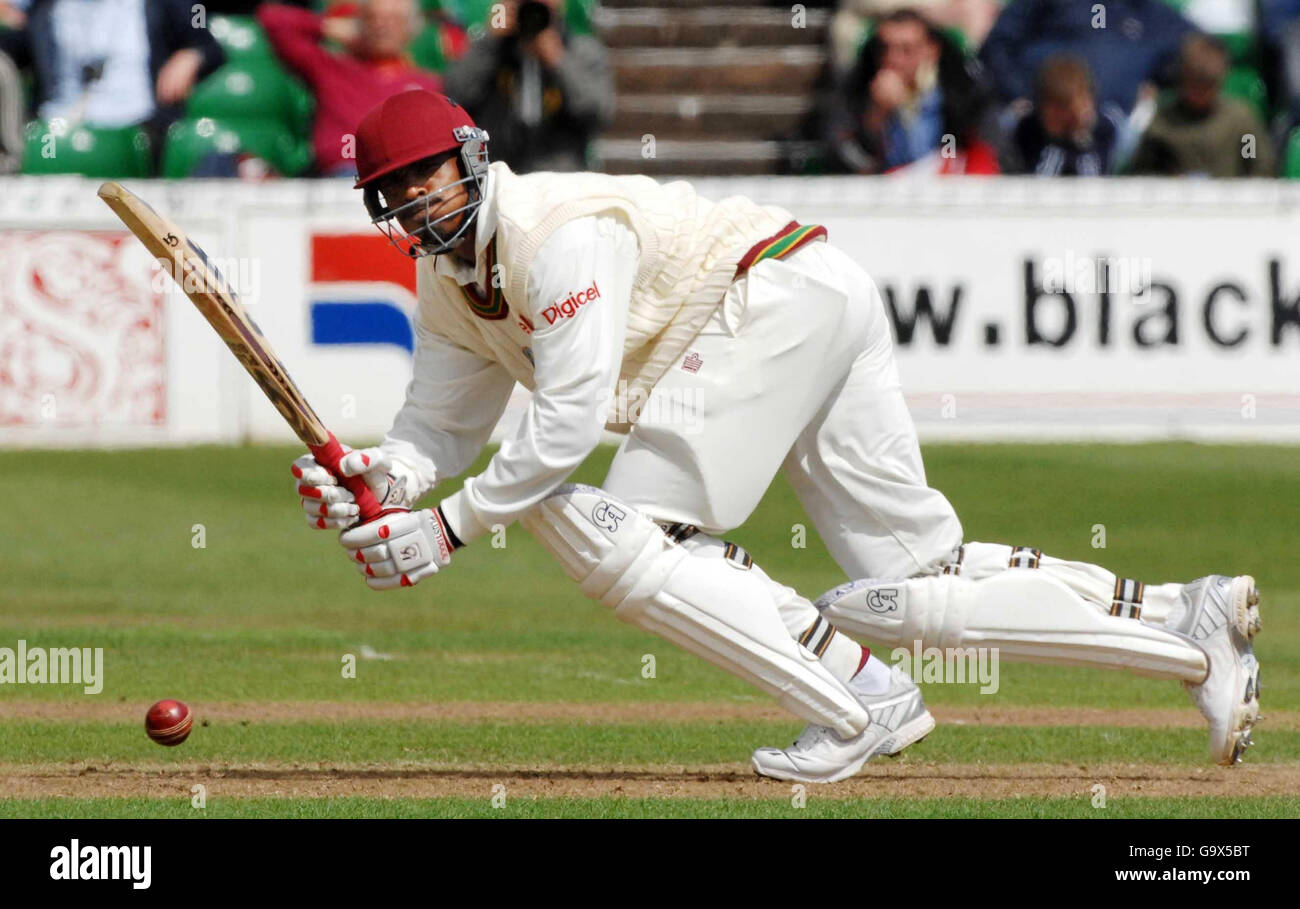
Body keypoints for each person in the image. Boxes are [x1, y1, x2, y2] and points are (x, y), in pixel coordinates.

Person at [290, 89, 1263, 783]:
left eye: (428, 179)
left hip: (771, 297)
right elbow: (441, 424)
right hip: (815, 288)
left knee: (627, 529)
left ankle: (856, 700)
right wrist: (386, 474)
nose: (418, 203)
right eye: (395, 192)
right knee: (911, 584)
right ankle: (1184, 620)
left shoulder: (557, 233)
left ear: (471, 158)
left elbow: (567, 420)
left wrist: (450, 528)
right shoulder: (446, 277)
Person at [259, 0, 442, 176]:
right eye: (373, 18)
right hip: (342, 177)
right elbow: (272, 18)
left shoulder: (427, 85)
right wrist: (328, 26)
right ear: (359, 24)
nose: (382, 26)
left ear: (411, 28)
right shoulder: (331, 69)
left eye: (393, 19)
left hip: (398, 179)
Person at [823, 8, 1000, 175]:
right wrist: (876, 115)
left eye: (906, 50)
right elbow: (844, 161)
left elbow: (994, 151)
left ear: (932, 50)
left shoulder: (962, 90)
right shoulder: (856, 90)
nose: (893, 59)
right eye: (885, 48)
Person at [442, 0, 612, 173]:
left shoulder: (582, 51)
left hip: (562, 173)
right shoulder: (493, 49)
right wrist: (490, 42)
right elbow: (454, 96)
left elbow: (598, 112)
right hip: (500, 171)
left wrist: (559, 62)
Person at [14, 0, 224, 137]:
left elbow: (208, 46)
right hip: (56, 128)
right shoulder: (43, 8)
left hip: (141, 127)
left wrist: (192, 55)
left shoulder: (162, 4)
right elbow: (15, 50)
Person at [980, 0, 1196, 116]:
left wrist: (1159, 82)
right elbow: (996, 46)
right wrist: (1018, 95)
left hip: (1117, 129)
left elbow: (1202, 52)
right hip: (1040, 123)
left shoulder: (1147, 12)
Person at [1130, 34, 1276, 178]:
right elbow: (1144, 172)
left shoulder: (1240, 124)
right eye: (1194, 84)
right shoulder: (1163, 123)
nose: (1199, 93)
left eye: (1207, 85)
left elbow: (1259, 167)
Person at [1003, 54, 1129, 176]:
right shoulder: (1025, 131)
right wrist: (1057, 140)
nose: (1068, 119)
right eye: (1057, 110)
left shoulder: (1110, 127)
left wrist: (1082, 138)